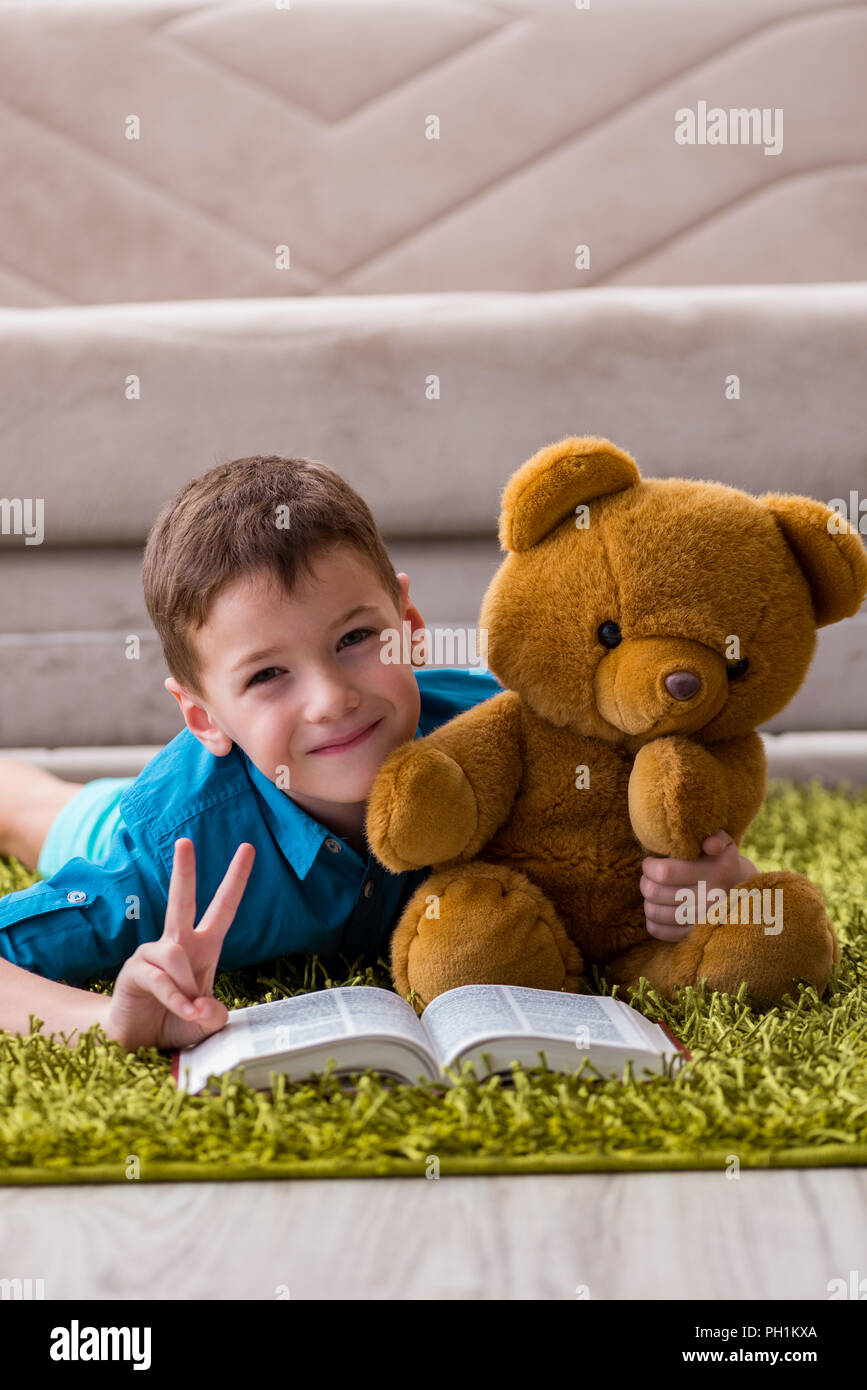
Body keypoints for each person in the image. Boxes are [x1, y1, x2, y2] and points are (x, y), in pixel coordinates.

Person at [0, 454, 758, 1054]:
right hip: (159, 812)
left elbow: (663, 839)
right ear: (203, 715)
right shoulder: (171, 856)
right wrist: (111, 1019)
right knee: (44, 813)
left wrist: (710, 883)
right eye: (267, 675)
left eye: (355, 639)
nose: (331, 699)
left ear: (410, 624)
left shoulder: (520, 736)